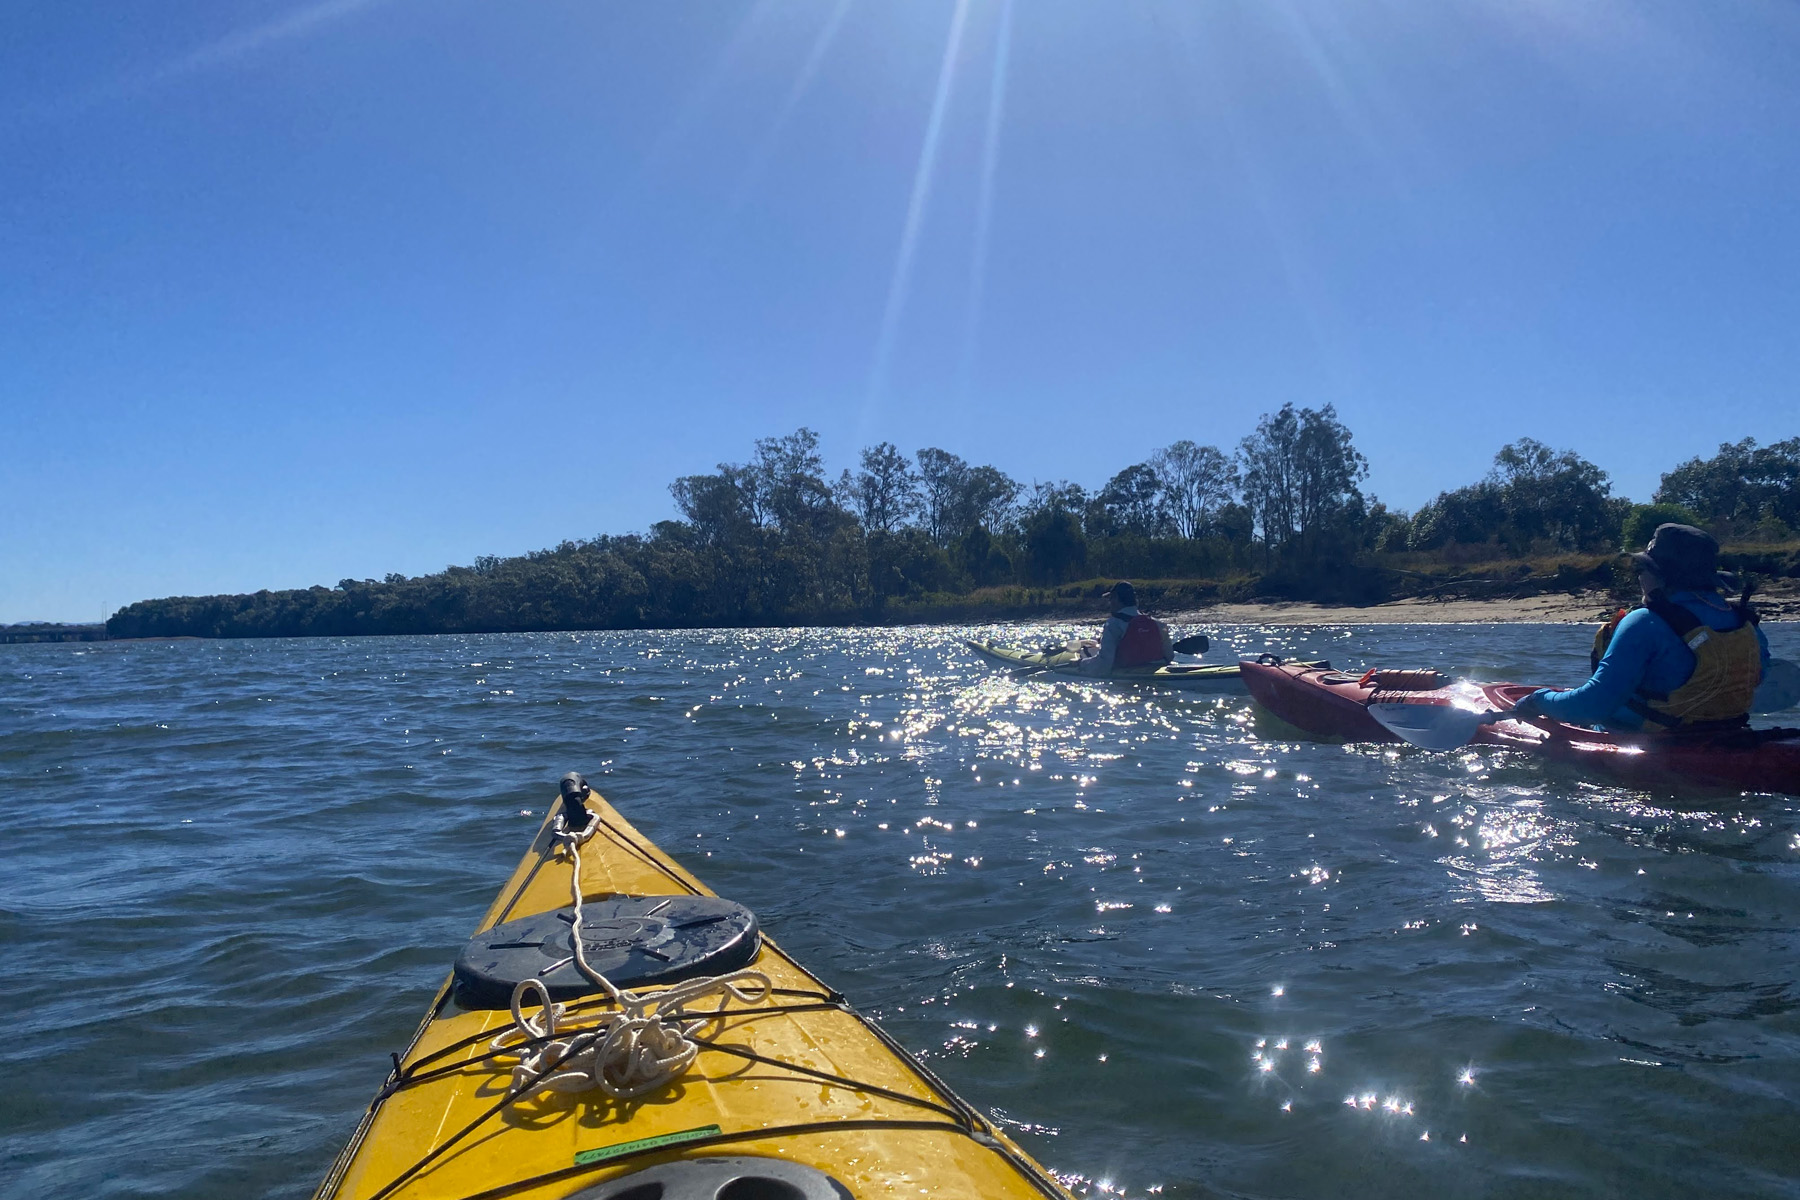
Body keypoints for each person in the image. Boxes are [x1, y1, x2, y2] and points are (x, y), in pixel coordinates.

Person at [1511, 523, 1769, 733]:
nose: (1638, 577)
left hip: (1653, 746)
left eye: (1641, 568)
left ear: (1657, 575)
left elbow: (1591, 707)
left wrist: (1538, 700)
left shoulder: (1645, 622)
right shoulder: (1745, 623)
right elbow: (1758, 680)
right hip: (1729, 735)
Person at [1079, 581, 1173, 676]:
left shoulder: (1113, 624)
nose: (1110, 603)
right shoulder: (1158, 624)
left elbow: (1104, 664)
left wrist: (1082, 663)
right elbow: (1169, 656)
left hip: (1128, 675)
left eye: (1110, 599)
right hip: (1157, 671)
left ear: (1116, 599)